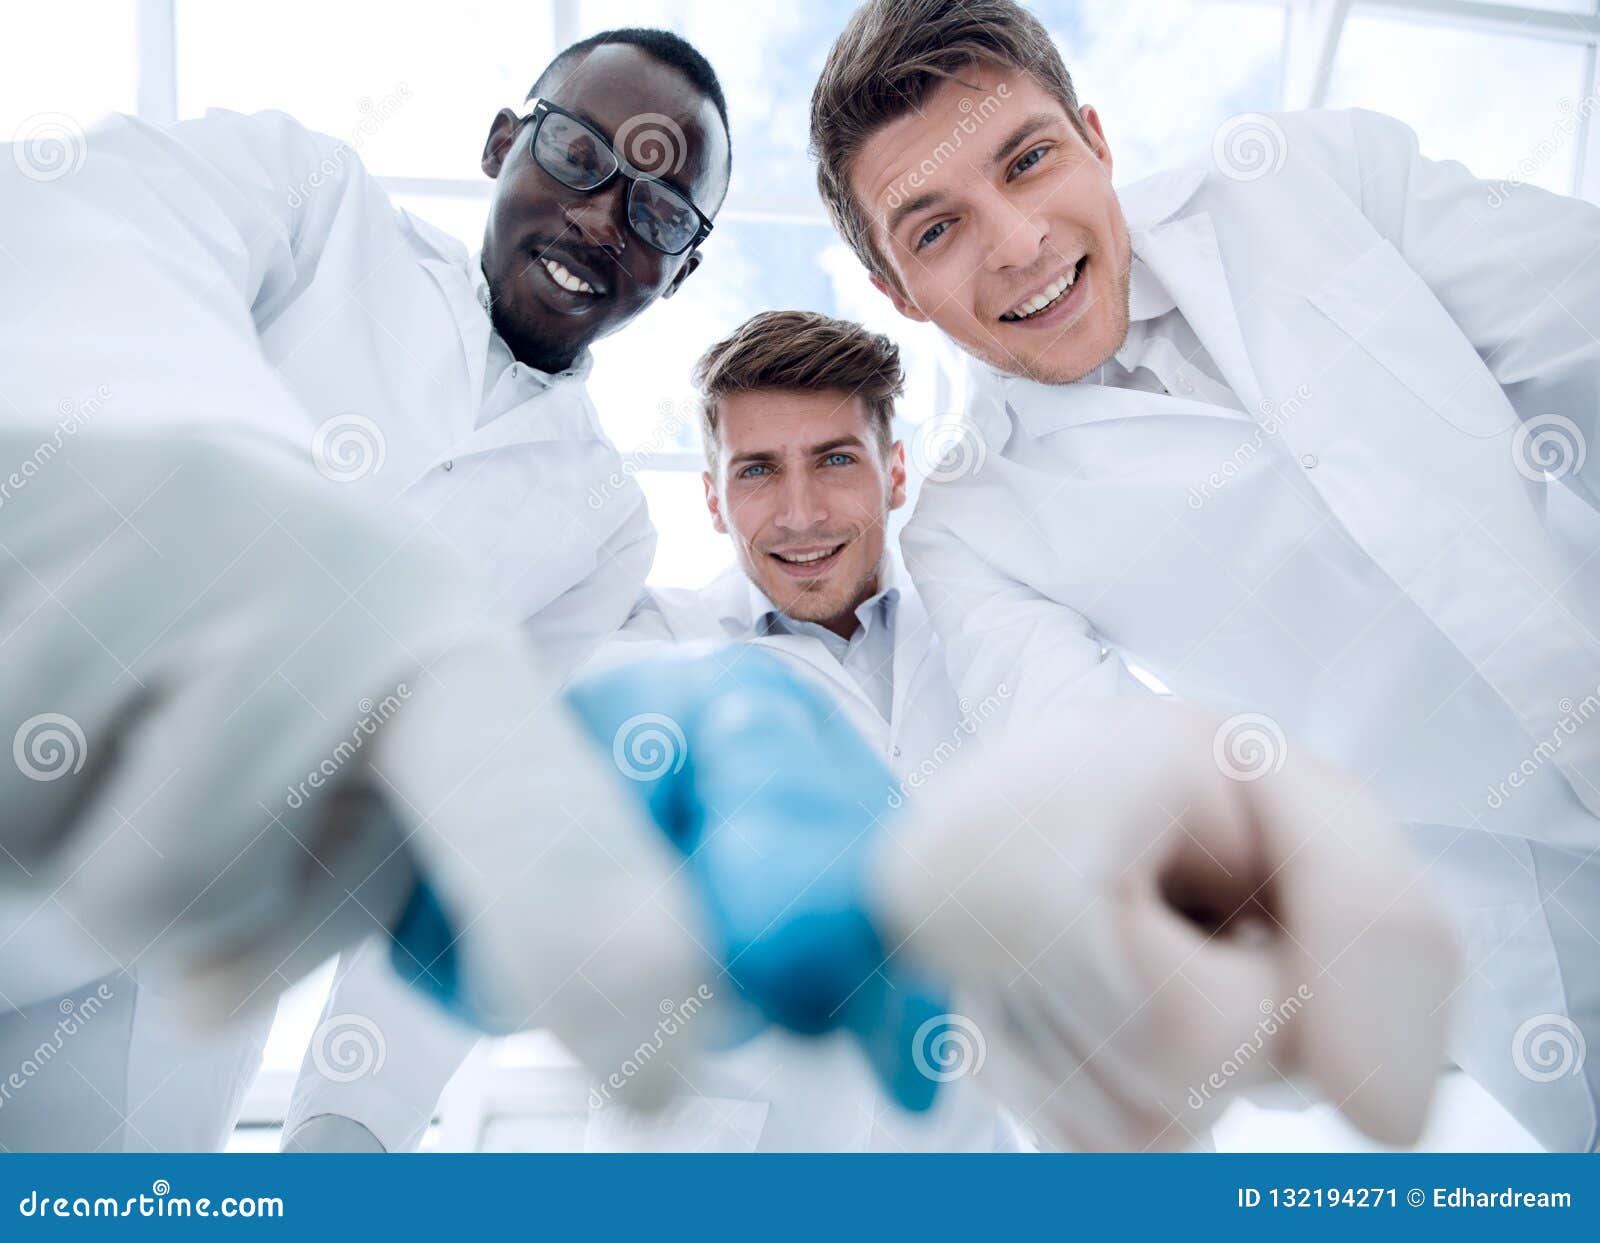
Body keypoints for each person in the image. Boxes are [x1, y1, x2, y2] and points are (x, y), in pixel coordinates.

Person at [808, 0, 1600, 1150]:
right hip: (1533, 959)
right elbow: (1107, 782)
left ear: (1095, 138)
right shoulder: (970, 528)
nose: (1019, 241)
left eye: (1028, 160)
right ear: (894, 291)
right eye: (935, 231)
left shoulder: (1310, 178)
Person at [0, 24, 732, 1151]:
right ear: (502, 144)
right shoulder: (310, 201)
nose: (602, 220)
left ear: (680, 272)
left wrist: (356, 1119)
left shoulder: (602, 526)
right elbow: (81, 223)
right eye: (582, 158)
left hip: (160, 1026)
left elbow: (446, 845)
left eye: (660, 215)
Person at [284, 311, 1024, 1151]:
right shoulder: (649, 655)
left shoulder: (985, 641)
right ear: (712, 496)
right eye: (756, 471)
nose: (800, 513)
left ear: (895, 471)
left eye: (835, 459)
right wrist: (347, 1131)